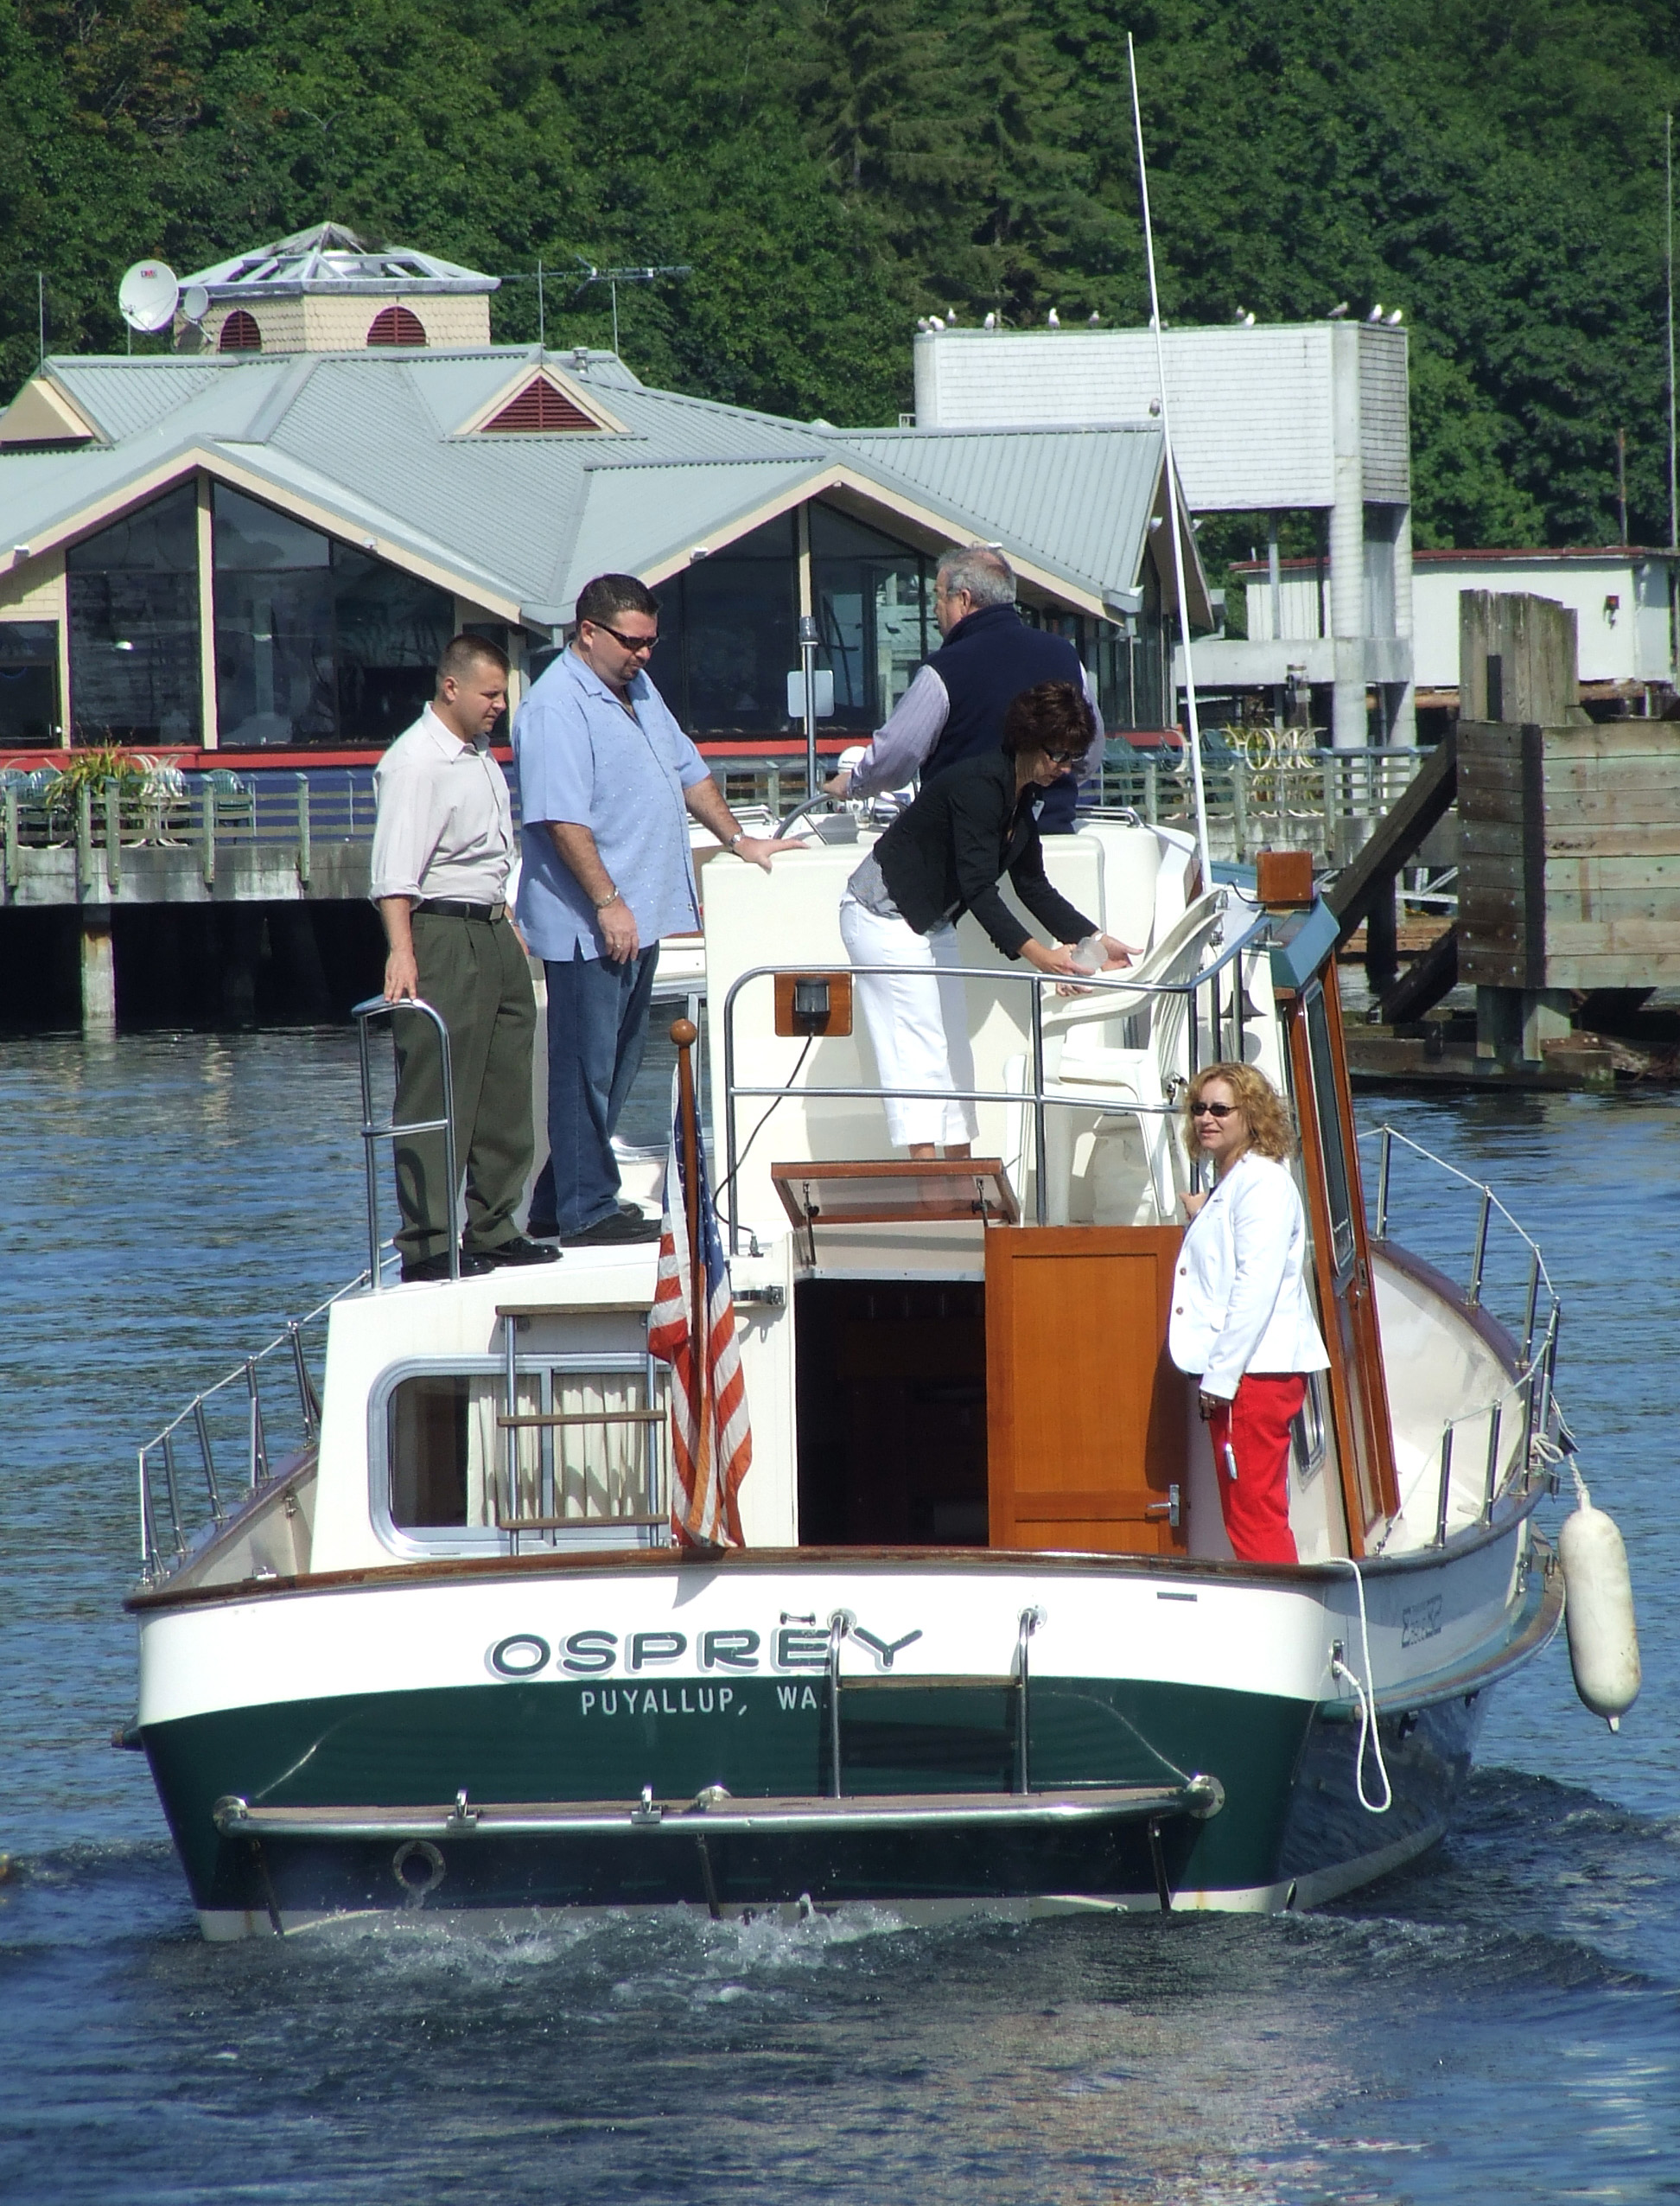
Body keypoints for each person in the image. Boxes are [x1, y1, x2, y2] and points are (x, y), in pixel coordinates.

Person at [513, 573, 786, 1245]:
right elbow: (560, 819)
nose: (643, 654)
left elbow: (688, 771)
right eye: (632, 642)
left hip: (644, 912)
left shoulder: (637, 688)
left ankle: (556, 1201)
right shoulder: (555, 706)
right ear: (588, 633)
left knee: (619, 1063)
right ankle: (586, 1210)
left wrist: (739, 839)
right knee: (585, 1067)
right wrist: (608, 903)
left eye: (651, 642)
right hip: (591, 924)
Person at [838, 680, 1135, 1159]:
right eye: (1058, 755)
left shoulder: (1020, 798)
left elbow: (1032, 885)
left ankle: (962, 1178)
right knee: (919, 1048)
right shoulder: (978, 786)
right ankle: (933, 1188)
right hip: (881, 913)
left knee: (954, 1048)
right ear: (1028, 739)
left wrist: (1096, 939)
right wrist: (1042, 958)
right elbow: (978, 887)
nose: (1063, 768)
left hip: (929, 920)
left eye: (1072, 759)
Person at [371, 635, 557, 1284]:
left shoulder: (477, 753)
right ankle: (427, 1244)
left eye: (504, 694)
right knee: (437, 1086)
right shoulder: (416, 762)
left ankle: (496, 1226)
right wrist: (402, 951)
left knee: (505, 1087)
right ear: (451, 687)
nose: (500, 705)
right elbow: (395, 872)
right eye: (491, 693)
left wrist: (507, 921)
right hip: (442, 932)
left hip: (492, 927)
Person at [1168, 1062, 1330, 1565]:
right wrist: (1205, 1213)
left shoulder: (1262, 1184)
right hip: (1248, 1376)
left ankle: (1280, 1603)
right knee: (1247, 1511)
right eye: (1199, 1108)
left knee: (1254, 1515)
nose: (1206, 1119)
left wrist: (1219, 1379)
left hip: (1253, 1378)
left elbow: (1254, 1289)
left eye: (1220, 1109)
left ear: (1251, 1115)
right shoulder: (1236, 1181)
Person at [824, 545, 1102, 832]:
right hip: (1053, 834)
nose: (935, 609)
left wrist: (853, 783)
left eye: (939, 596)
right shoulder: (1065, 655)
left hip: (965, 843)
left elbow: (896, 757)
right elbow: (1090, 751)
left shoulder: (944, 669)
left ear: (964, 600)